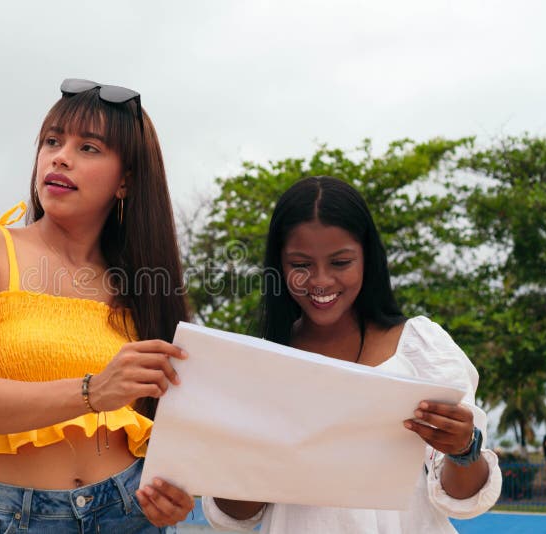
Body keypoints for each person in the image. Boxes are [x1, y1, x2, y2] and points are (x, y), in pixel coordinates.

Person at [0, 79, 194, 533]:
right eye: (52, 141)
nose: (60, 156)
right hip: (16, 515)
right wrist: (92, 392)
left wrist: (176, 490)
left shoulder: (142, 284)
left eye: (88, 147)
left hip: (130, 512)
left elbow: (177, 416)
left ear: (126, 180)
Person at [201, 176, 502, 533]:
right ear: (278, 266)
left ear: (368, 259)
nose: (321, 281)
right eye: (300, 265)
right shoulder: (262, 364)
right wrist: (256, 453)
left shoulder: (421, 348)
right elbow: (234, 514)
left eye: (341, 262)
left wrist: (463, 448)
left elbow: (462, 498)